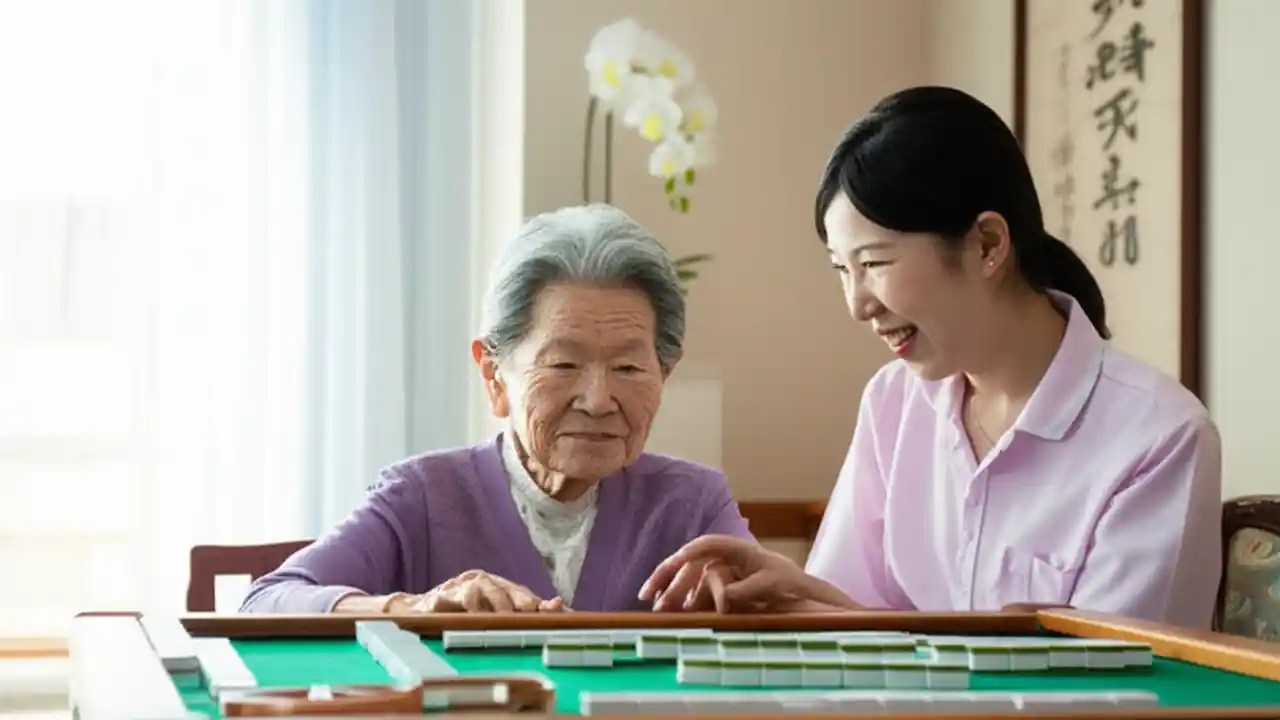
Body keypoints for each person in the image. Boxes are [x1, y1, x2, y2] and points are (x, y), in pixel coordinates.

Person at [639, 86, 1222, 629]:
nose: (858, 305)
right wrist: (788, 589)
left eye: (874, 264)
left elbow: (1116, 679)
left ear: (987, 245)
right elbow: (860, 623)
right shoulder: (894, 401)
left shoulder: (1158, 436)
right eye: (842, 270)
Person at [242, 204, 753, 614]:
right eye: (563, 364)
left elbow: (793, 617)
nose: (598, 401)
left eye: (628, 369)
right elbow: (269, 600)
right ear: (493, 375)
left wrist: (749, 598)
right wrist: (414, 608)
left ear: (664, 373)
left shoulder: (693, 504)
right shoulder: (421, 497)